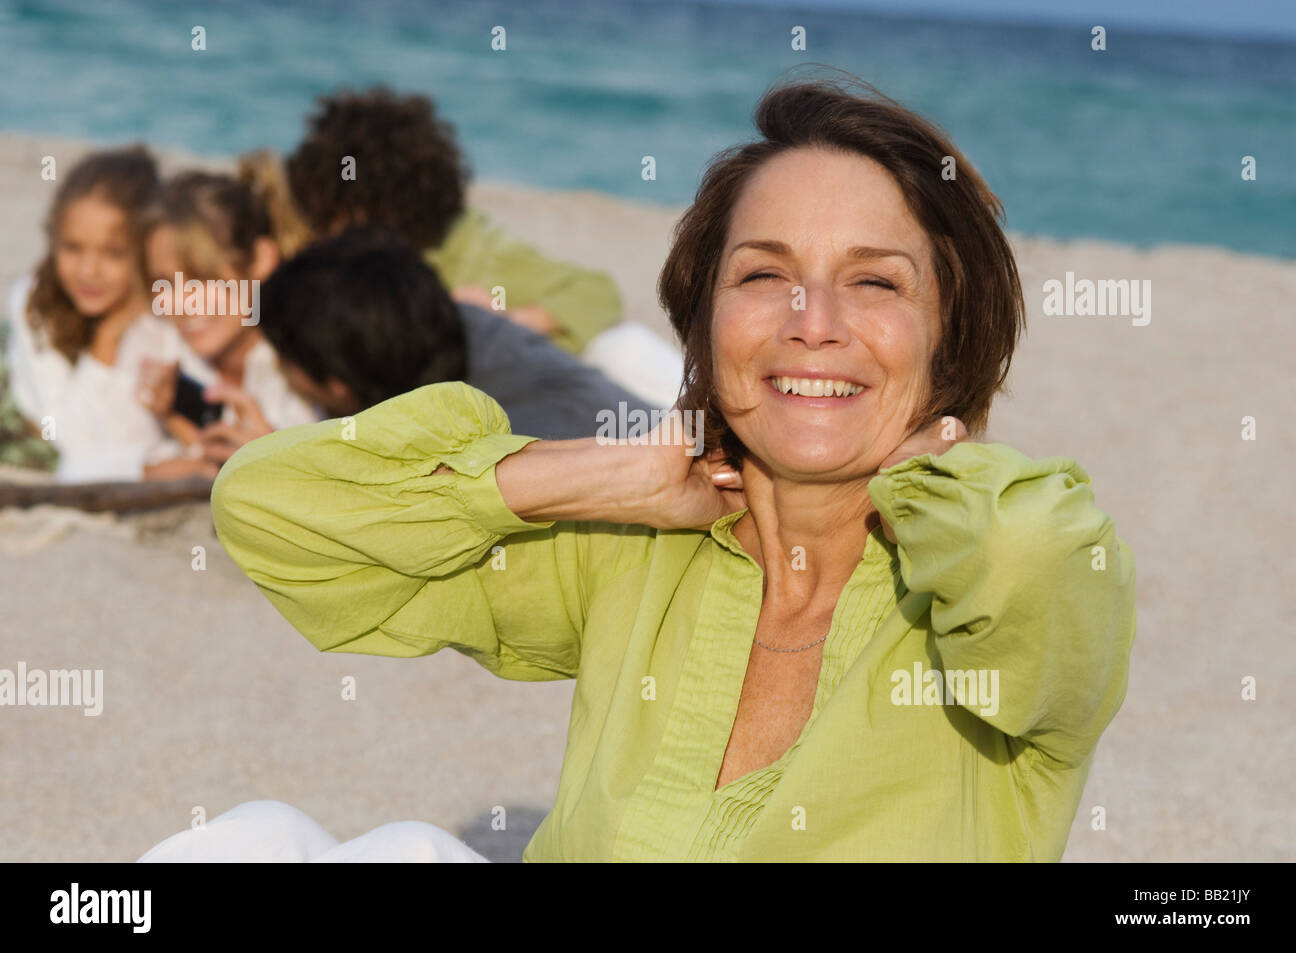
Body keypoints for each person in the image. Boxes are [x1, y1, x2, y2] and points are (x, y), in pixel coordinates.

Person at [153, 78, 1137, 862]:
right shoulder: (642, 552)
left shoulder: (992, 612)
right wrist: (588, 476)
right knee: (262, 841)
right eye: (762, 274)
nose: (814, 320)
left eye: (875, 281)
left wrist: (921, 468)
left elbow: (1026, 545)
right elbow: (268, 509)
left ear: (948, 336)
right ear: (704, 326)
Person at [281, 86, 683, 408]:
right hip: (492, 406)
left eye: (332, 213)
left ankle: (709, 428)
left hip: (561, 381)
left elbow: (596, 294)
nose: (327, 232)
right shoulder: (363, 267)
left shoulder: (473, 246)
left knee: (620, 346)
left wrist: (506, 321)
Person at [254, 227, 660, 441]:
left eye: (286, 362)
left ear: (340, 388)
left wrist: (270, 466)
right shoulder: (463, 322)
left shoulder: (471, 450)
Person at [4, 146, 214, 482]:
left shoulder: (164, 307)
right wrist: (110, 334)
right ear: (53, 240)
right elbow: (71, 440)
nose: (89, 271)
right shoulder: (34, 303)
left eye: (114, 254)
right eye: (72, 247)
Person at [137, 170, 322, 468]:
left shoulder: (306, 365)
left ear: (261, 260)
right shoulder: (160, 346)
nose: (182, 302)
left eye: (204, 278)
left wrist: (273, 457)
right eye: (164, 282)